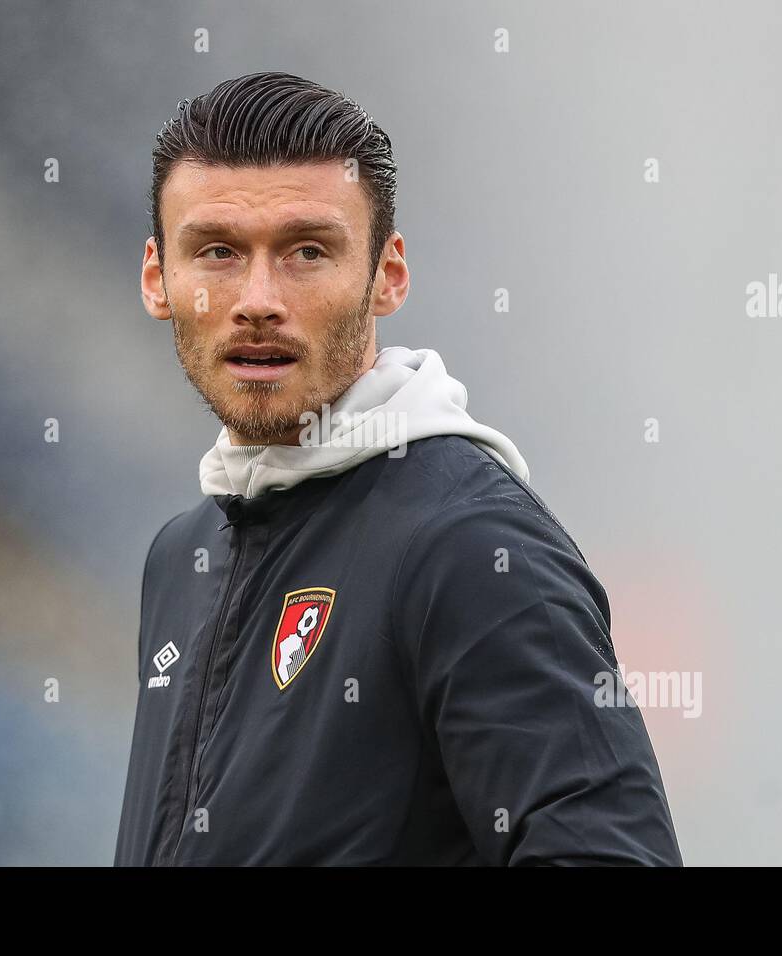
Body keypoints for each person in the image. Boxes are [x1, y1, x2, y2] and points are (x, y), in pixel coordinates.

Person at [114, 71, 683, 866]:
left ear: (388, 275)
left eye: (308, 251)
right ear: (157, 278)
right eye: (217, 252)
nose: (257, 299)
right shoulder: (180, 556)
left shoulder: (471, 543)